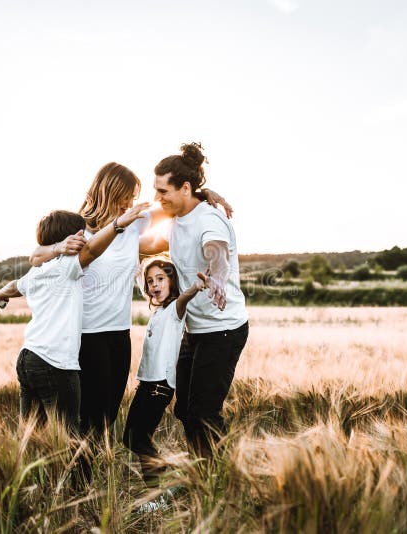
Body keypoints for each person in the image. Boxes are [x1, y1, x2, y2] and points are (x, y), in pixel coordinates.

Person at [28, 162, 232, 437]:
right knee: (92, 417)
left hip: (119, 334)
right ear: (112, 192)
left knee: (109, 414)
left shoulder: (134, 223)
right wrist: (58, 247)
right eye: (128, 196)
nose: (132, 203)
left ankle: (86, 472)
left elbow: (177, 202)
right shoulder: (78, 227)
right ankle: (78, 477)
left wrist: (204, 192)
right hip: (87, 334)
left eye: (135, 197)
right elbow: (35, 256)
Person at [0, 203, 148, 430]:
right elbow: (93, 251)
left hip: (28, 358)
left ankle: (27, 466)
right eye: (83, 234)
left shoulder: (38, 270)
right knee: (71, 436)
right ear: (75, 237)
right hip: (56, 364)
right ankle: (77, 467)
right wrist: (118, 224)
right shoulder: (66, 266)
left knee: (31, 433)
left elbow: (15, 286)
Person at [140, 142, 249, 457]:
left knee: (203, 413)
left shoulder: (208, 220)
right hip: (196, 330)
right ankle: (206, 471)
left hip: (223, 330)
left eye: (163, 191)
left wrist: (216, 275)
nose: (158, 198)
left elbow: (217, 251)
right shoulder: (178, 217)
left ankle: (215, 478)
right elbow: (147, 243)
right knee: (186, 411)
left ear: (185, 187)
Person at [122, 257, 206, 486]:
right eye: (150, 281)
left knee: (139, 437)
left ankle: (159, 487)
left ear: (172, 281)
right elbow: (141, 277)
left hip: (160, 387)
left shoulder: (174, 309)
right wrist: (137, 256)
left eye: (160, 279)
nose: (154, 285)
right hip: (146, 383)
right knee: (129, 437)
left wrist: (195, 288)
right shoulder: (158, 309)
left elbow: (184, 298)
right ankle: (165, 478)